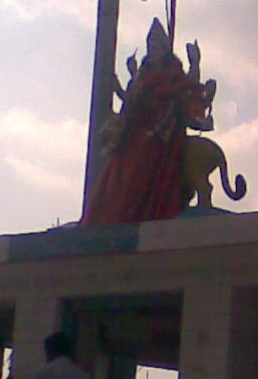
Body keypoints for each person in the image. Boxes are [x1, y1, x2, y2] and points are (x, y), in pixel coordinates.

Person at [82, 18, 216, 225]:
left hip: (162, 134)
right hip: (136, 132)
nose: (154, 49)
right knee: (120, 173)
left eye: (158, 45)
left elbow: (189, 89)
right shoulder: (142, 76)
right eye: (151, 45)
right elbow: (131, 100)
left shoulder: (173, 73)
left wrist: (195, 63)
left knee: (142, 165)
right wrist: (121, 86)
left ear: (165, 48)